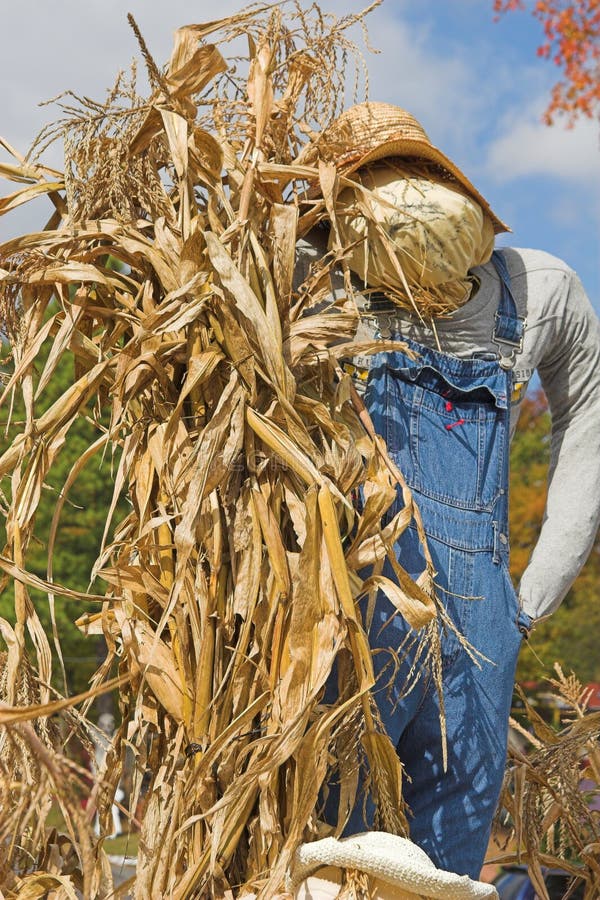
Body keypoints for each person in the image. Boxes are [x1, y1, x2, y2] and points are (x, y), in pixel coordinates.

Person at [295, 102, 600, 879]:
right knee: (329, 861)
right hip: (350, 618)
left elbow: (590, 422)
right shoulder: (307, 287)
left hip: (481, 626)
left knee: (446, 874)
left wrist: (529, 597)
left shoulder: (533, 295)